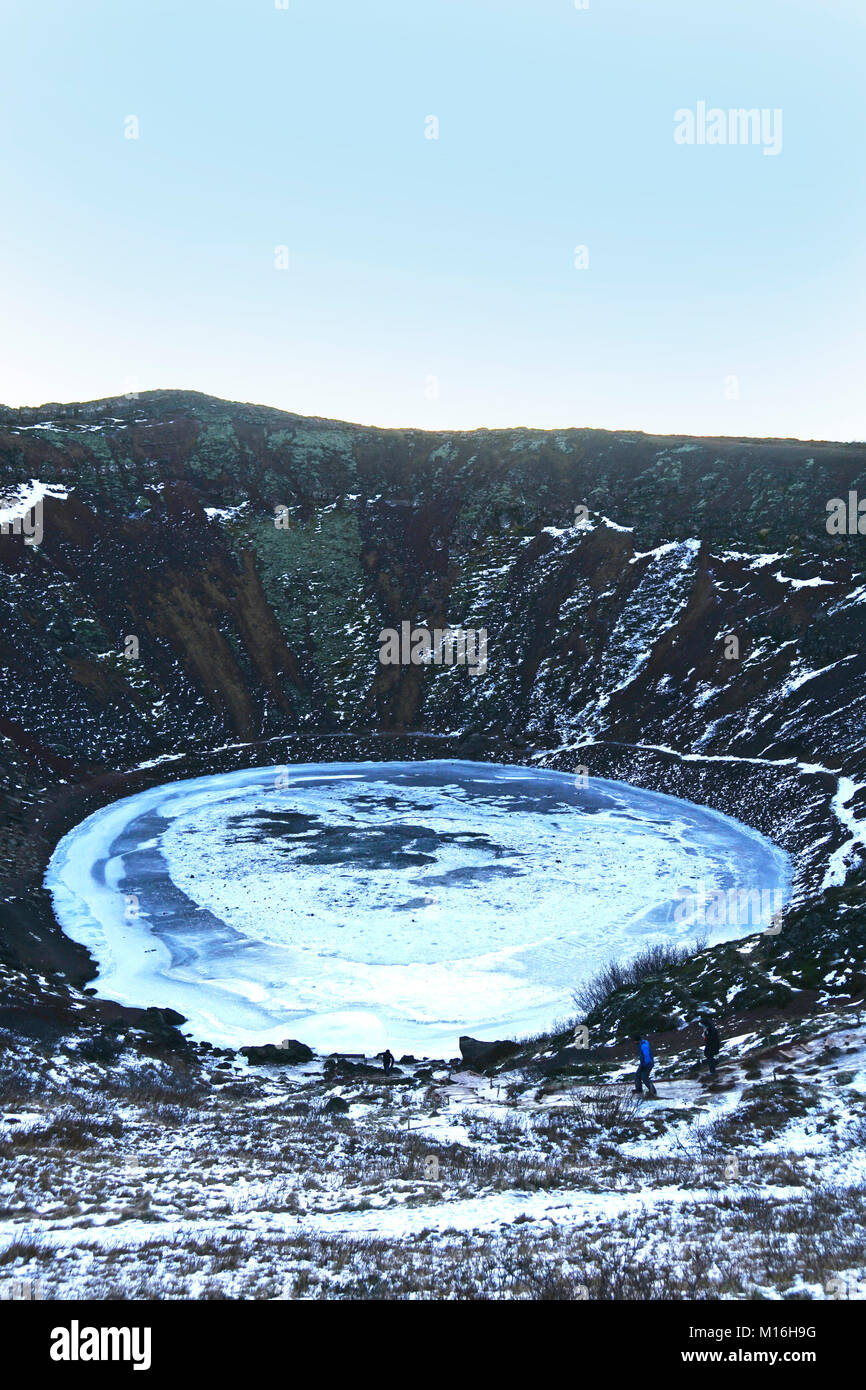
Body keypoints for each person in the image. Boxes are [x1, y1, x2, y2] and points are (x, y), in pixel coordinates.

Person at [631, 1031, 658, 1098]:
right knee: (637, 1075)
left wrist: (645, 1065)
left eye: (634, 1041)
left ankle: (653, 1091)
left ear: (637, 1041)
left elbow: (647, 1056)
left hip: (647, 1063)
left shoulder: (643, 1046)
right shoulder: (643, 1043)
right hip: (643, 1063)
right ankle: (639, 1089)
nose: (634, 1043)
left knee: (644, 1077)